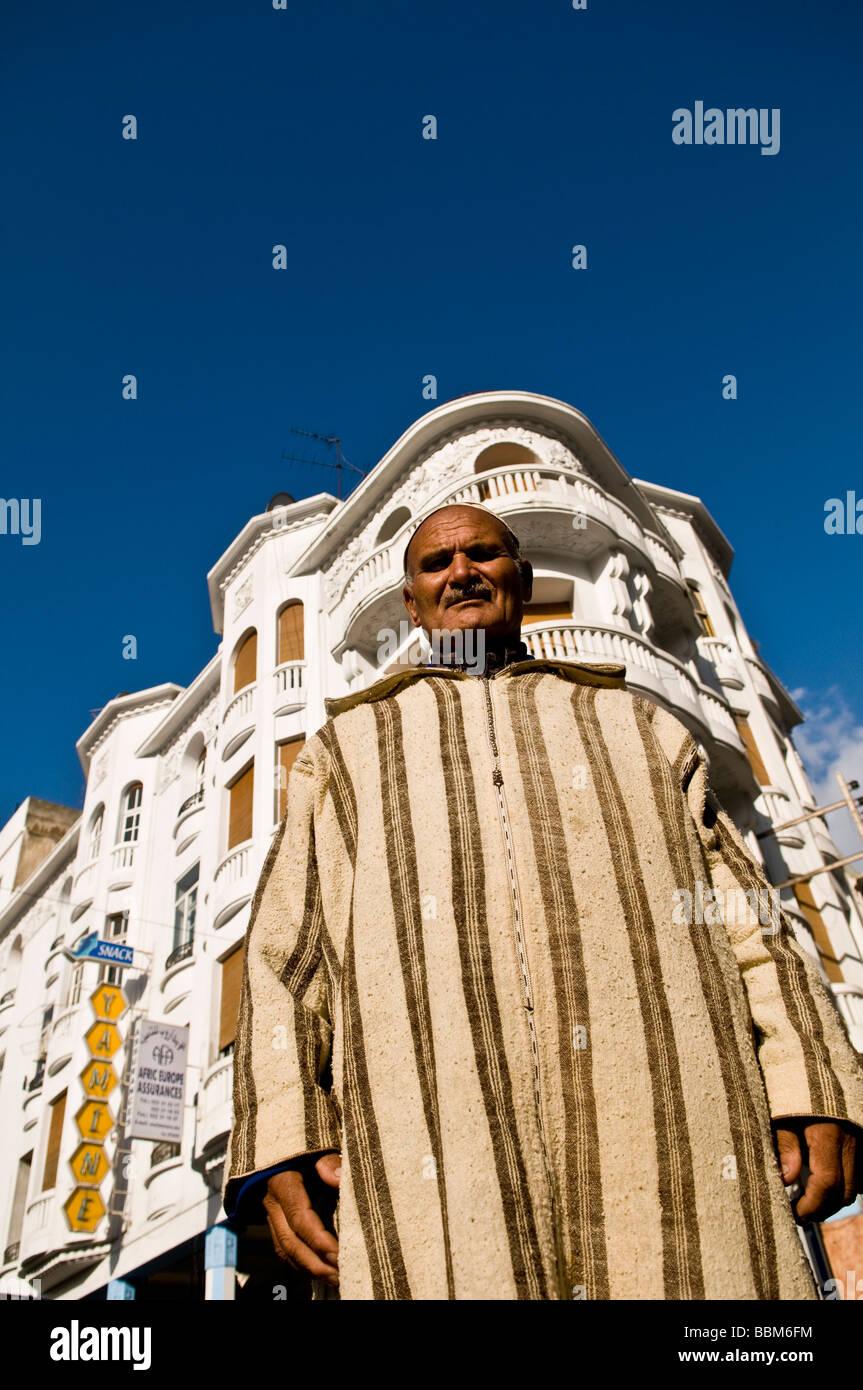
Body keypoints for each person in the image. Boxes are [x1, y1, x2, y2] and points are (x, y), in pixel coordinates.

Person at [223, 502, 863, 1300]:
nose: (461, 572)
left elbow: (746, 919)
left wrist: (812, 1082)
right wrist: (284, 1139)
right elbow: (287, 954)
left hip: (681, 1144)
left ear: (519, 579)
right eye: (436, 564)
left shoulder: (637, 725)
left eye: (483, 554)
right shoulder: (346, 752)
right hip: (435, 1160)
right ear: (413, 604)